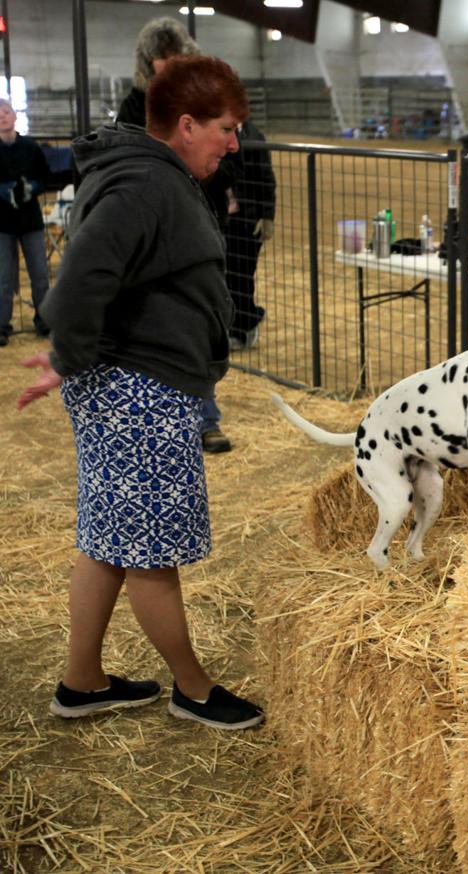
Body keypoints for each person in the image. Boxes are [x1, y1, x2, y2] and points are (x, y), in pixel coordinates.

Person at [16, 55, 264, 731]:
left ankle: (82, 682)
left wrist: (75, 360)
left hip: (127, 383)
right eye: (225, 128)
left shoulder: (146, 172)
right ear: (186, 125)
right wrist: (70, 353)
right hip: (139, 394)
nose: (233, 143)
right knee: (150, 551)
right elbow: (79, 282)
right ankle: (193, 689)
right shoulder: (145, 186)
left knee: (108, 541)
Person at [117, 16, 241, 454]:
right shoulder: (135, 106)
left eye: (177, 62)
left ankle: (206, 418)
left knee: (205, 315)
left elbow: (227, 156)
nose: (169, 72)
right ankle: (168, 416)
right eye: (162, 64)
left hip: (202, 223)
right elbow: (126, 165)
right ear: (149, 66)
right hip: (152, 233)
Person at [0, 99, 51, 344]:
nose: (2, 117)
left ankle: (45, 320)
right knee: (4, 277)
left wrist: (32, 187)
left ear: (15, 116)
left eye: (6, 111)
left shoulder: (31, 148)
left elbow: (45, 177)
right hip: (2, 223)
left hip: (31, 221)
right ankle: (2, 325)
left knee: (40, 273)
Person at [225, 117, 275, 350]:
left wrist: (267, 216)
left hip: (247, 220)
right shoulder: (217, 133)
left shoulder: (254, 138)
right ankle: (240, 322)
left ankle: (245, 326)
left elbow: (266, 179)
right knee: (226, 276)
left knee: (242, 276)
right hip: (223, 219)